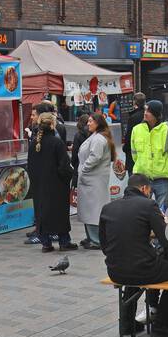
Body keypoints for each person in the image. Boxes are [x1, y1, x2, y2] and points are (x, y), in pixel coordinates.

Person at [99, 174, 168, 337]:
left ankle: (126, 323)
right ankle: (161, 324)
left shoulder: (108, 207)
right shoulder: (148, 205)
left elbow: (104, 245)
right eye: (149, 191)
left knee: (134, 268)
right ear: (145, 189)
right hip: (143, 269)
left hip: (115, 270)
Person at [28, 103, 76, 253]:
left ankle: (46, 243)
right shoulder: (57, 143)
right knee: (59, 213)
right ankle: (64, 241)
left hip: (39, 185)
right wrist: (68, 177)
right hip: (57, 185)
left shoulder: (34, 143)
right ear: (52, 124)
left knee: (42, 212)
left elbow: (30, 166)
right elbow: (64, 166)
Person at [75, 111, 119, 249]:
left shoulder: (99, 139)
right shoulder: (97, 136)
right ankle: (91, 237)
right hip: (91, 179)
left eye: (90, 121)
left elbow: (95, 157)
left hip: (93, 179)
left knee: (93, 210)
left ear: (98, 123)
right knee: (90, 209)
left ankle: (96, 240)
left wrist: (84, 170)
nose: (88, 123)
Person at [129, 99, 168, 209]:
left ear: (156, 114)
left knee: (163, 209)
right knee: (141, 209)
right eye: (145, 110)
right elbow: (134, 153)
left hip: (162, 178)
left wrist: (166, 167)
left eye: (149, 111)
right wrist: (142, 165)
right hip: (142, 177)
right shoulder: (136, 130)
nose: (145, 113)